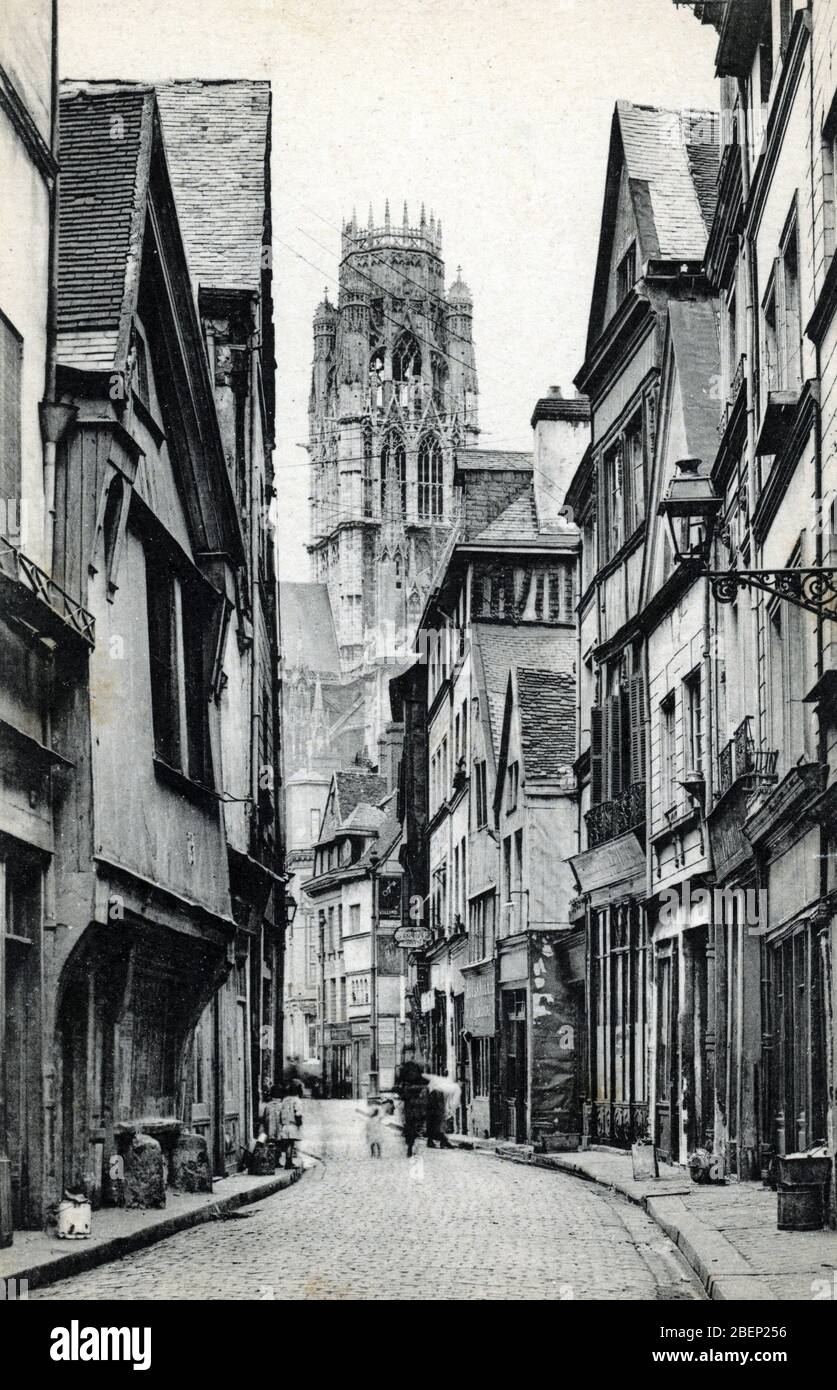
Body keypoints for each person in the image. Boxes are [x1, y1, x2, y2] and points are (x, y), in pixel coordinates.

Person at [395, 1046, 428, 1158]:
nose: (410, 1055)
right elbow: (397, 1084)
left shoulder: (418, 1067)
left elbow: (423, 1081)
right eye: (408, 1053)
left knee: (415, 1123)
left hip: (416, 1100)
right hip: (408, 1100)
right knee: (409, 1123)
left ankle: (412, 1143)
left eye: (411, 1053)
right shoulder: (402, 1069)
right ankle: (410, 1145)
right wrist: (402, 1093)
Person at [279, 1088, 303, 1168]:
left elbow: (280, 1112)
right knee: (291, 1143)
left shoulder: (284, 1100)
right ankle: (289, 1162)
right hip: (293, 1124)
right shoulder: (297, 1100)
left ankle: (288, 1161)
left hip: (285, 1125)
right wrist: (299, 1123)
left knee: (287, 1143)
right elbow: (298, 1113)